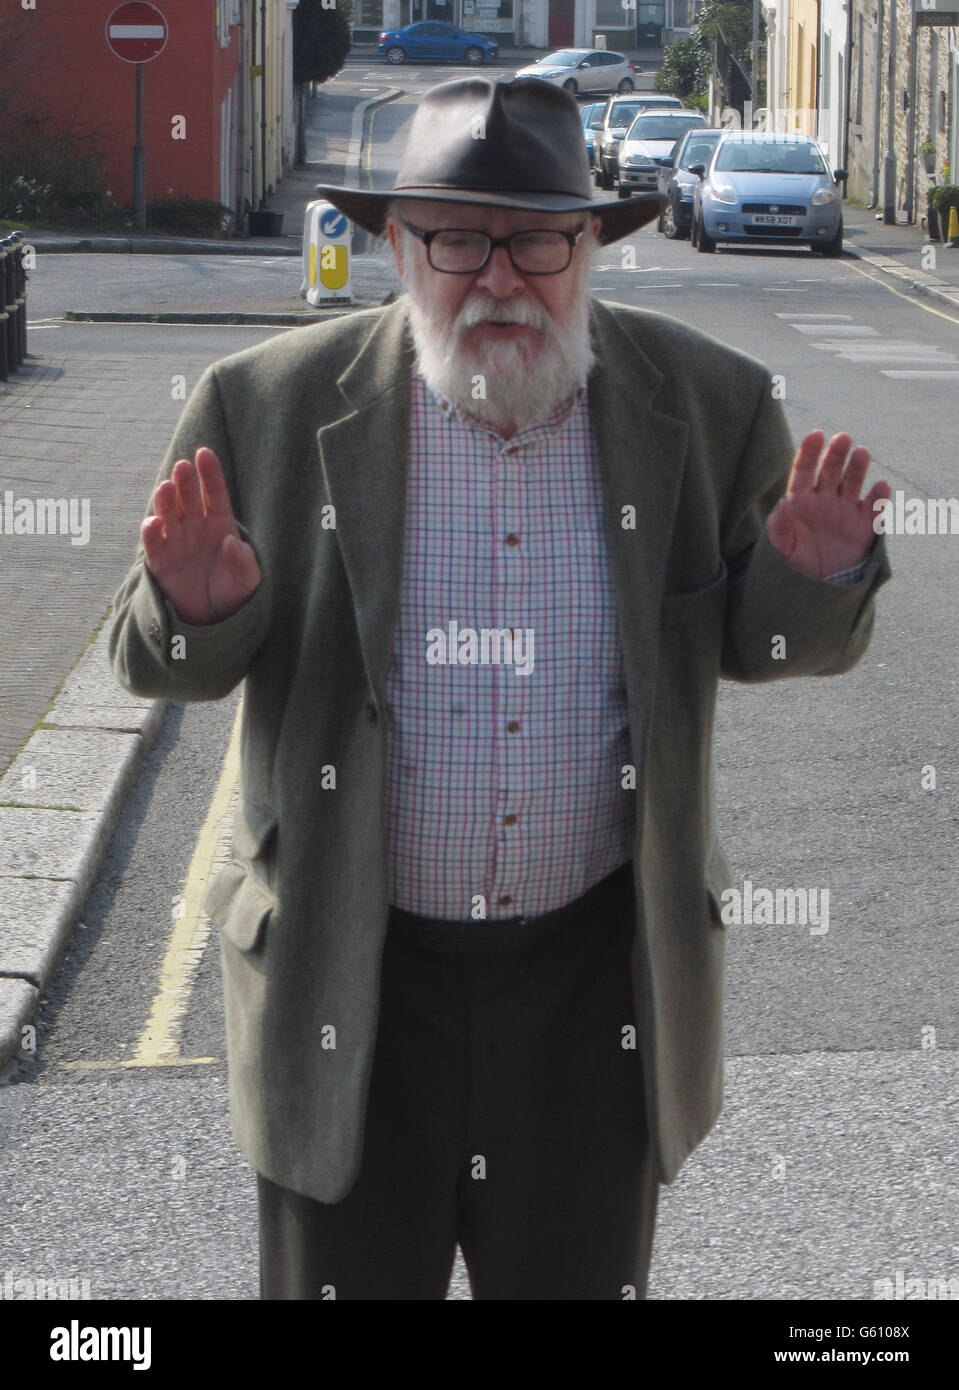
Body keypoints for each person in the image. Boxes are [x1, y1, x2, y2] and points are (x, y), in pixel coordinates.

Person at [109, 77, 892, 1300]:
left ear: (590, 244)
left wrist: (812, 580)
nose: (498, 279)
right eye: (456, 238)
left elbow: (761, 643)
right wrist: (202, 613)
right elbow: (149, 656)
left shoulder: (705, 404)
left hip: (593, 989)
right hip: (349, 977)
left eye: (536, 238)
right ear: (395, 243)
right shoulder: (260, 406)